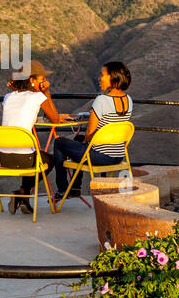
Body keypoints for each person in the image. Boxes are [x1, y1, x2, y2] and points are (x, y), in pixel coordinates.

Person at [0, 60, 71, 215]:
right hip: (24, 159)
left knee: (32, 156)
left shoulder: (8, 97)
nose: (44, 83)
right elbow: (55, 119)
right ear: (32, 80)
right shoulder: (37, 97)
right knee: (49, 160)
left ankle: (23, 197)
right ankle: (22, 193)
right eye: (42, 80)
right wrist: (46, 93)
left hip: (0, 158)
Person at [53, 61, 132, 200]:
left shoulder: (101, 100)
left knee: (59, 142)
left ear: (113, 78)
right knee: (78, 140)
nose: (99, 78)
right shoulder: (129, 100)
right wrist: (78, 118)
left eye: (102, 75)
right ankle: (75, 188)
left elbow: (89, 135)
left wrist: (84, 144)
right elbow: (110, 121)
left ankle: (62, 189)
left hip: (99, 156)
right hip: (118, 156)